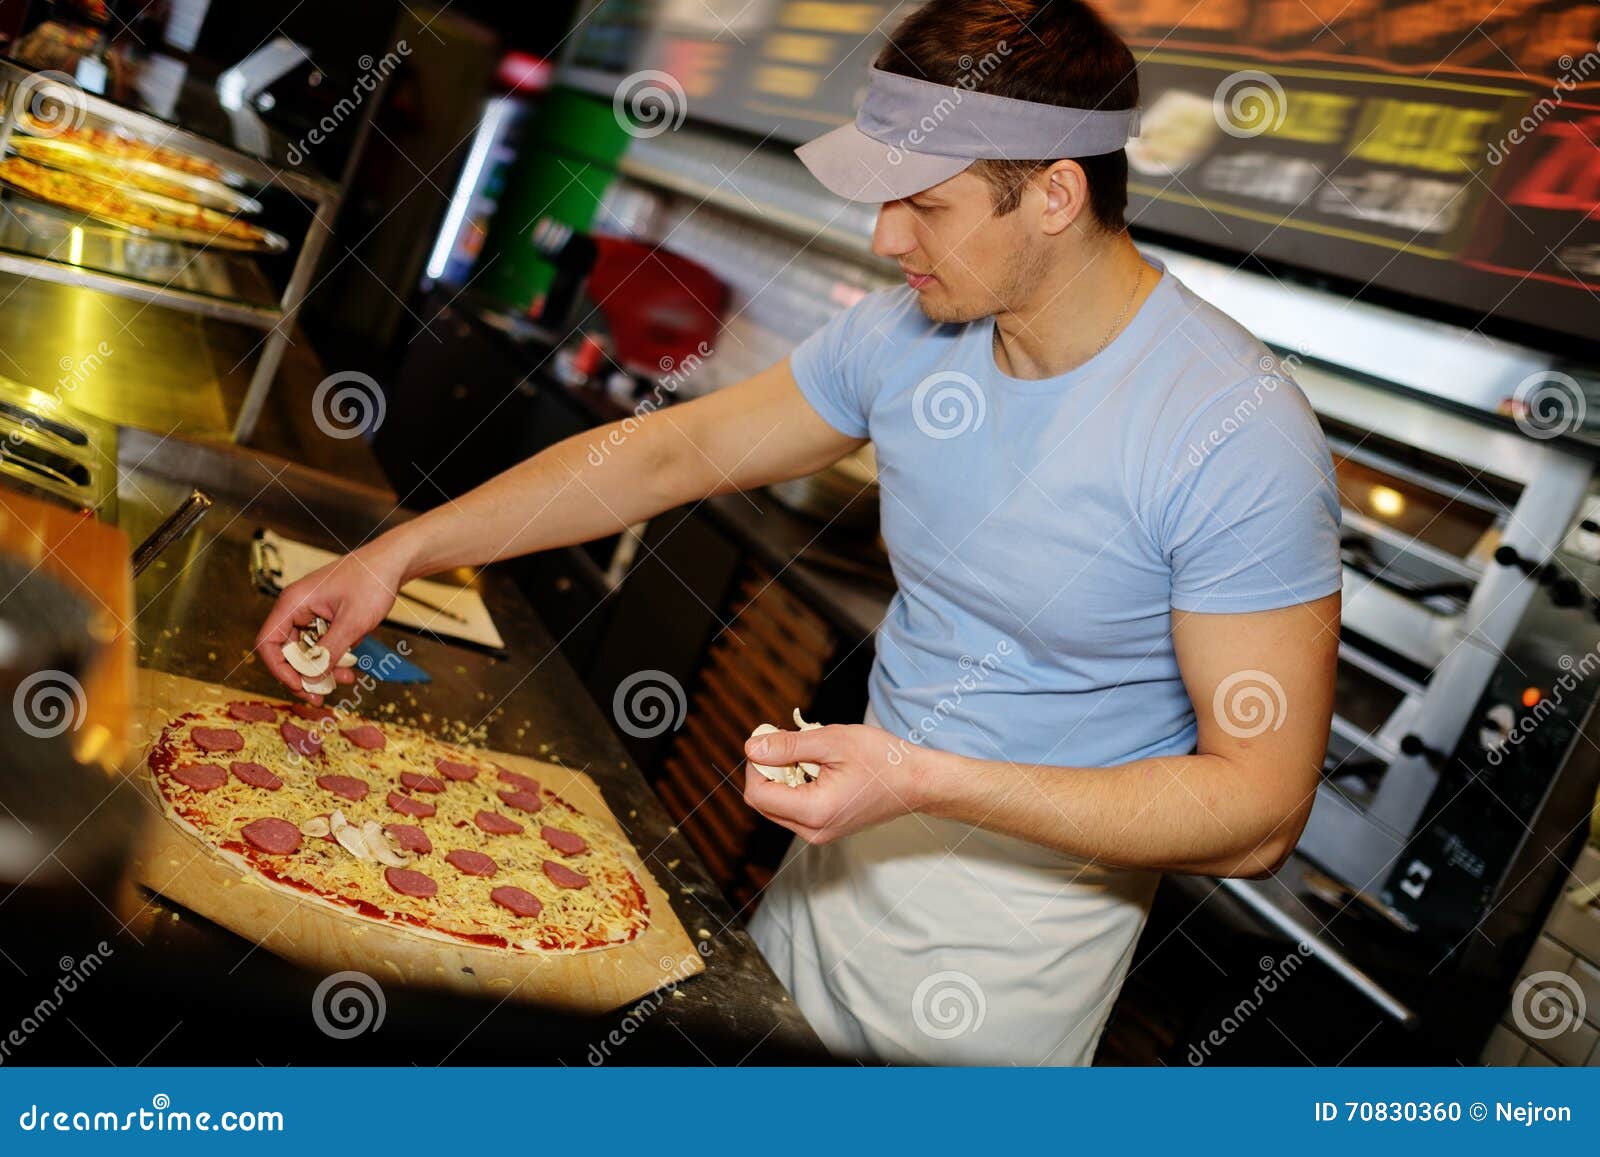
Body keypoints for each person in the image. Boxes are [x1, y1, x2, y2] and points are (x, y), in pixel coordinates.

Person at [256, 0, 1341, 1066]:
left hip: (990, 1001)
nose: (884, 236)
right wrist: (398, 551)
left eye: (923, 203)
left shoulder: (1232, 431)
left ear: (1055, 193)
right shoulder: (910, 334)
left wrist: (922, 778)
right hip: (805, 909)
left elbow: (1257, 806)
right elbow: (664, 452)